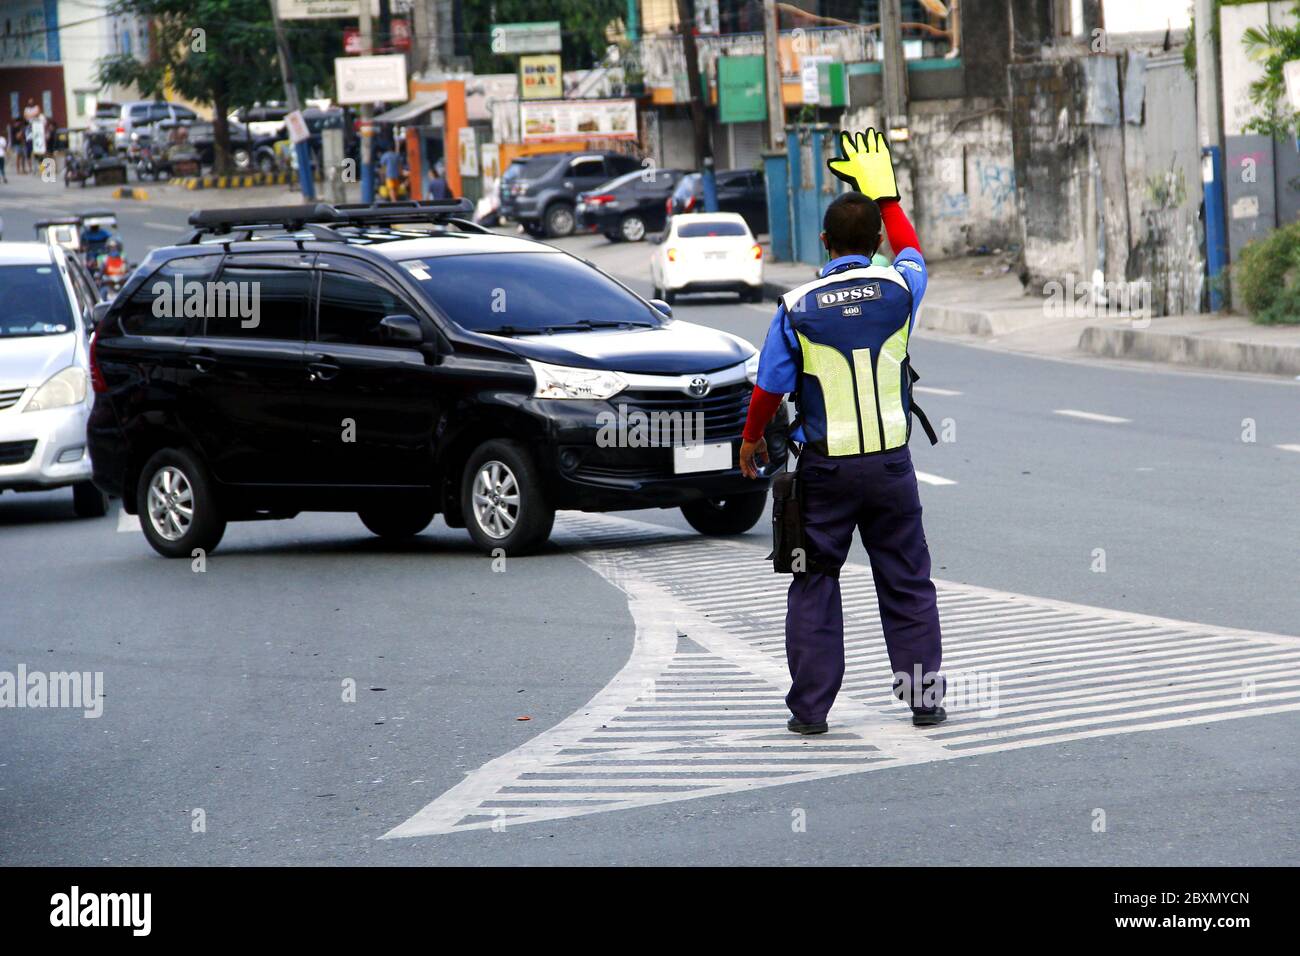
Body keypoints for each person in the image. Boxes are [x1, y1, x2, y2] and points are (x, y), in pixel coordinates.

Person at [739, 128, 946, 734]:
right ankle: (924, 701)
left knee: (812, 584)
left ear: (824, 243)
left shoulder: (796, 305)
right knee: (908, 583)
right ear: (877, 241)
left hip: (824, 473)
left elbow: (768, 391)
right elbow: (912, 251)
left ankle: (810, 714)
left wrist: (752, 441)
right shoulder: (901, 287)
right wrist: (887, 197)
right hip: (891, 469)